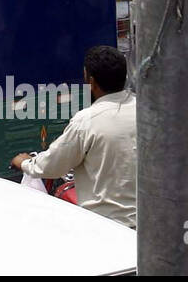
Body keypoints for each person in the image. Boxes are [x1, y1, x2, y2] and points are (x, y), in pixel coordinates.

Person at [11, 46, 137, 228]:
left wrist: (24, 163)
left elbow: (52, 164)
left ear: (91, 82)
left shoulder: (86, 121)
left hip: (107, 226)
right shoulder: (146, 111)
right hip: (148, 223)